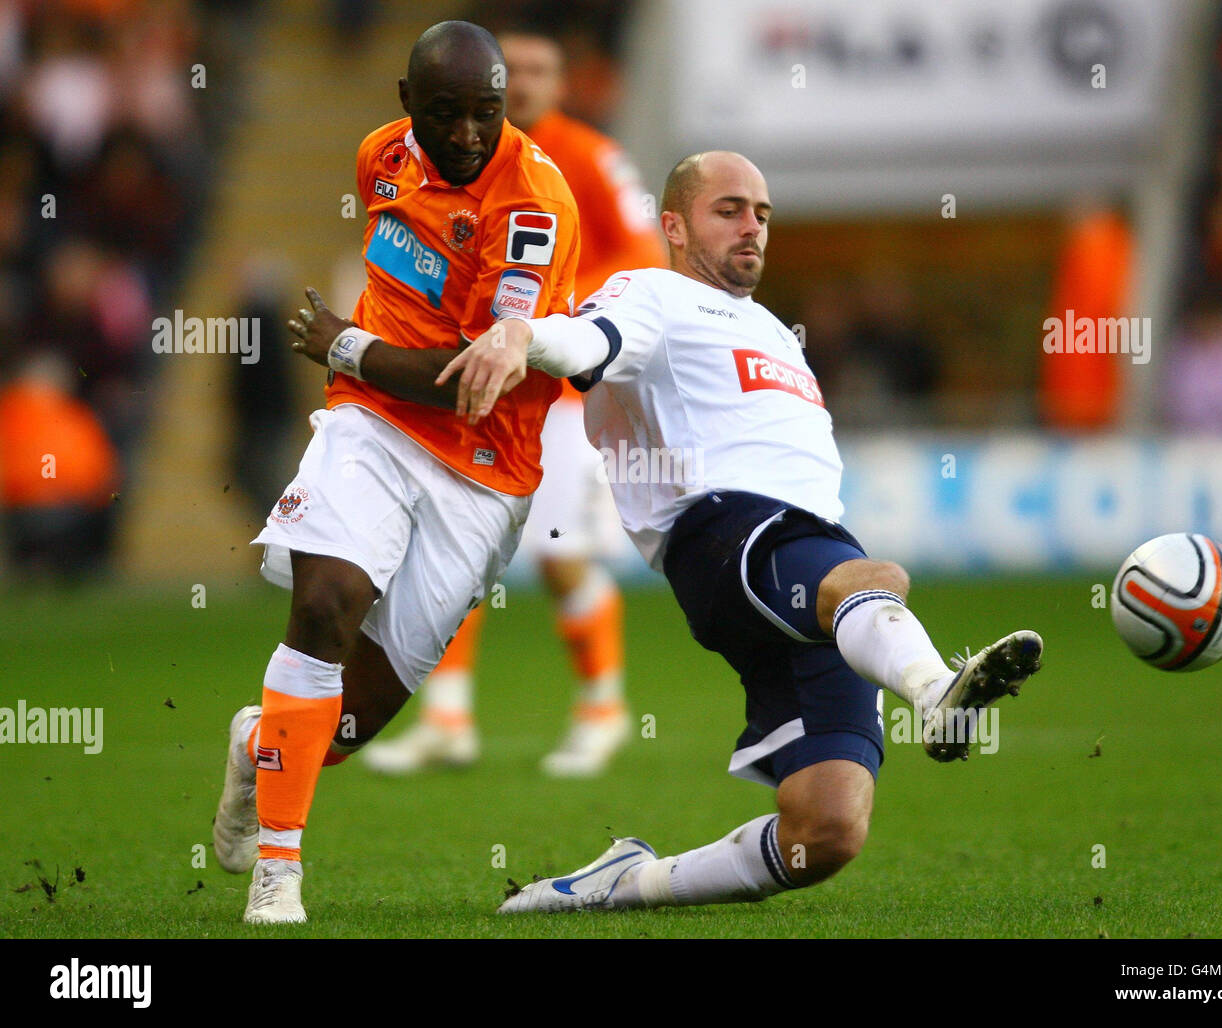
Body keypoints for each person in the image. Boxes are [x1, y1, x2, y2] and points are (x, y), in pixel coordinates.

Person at [439, 151, 1044, 912]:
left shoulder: (775, 332)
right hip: (725, 534)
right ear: (674, 225)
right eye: (728, 209)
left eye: (762, 212)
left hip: (807, 561)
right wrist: (521, 336)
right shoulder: (653, 292)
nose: (751, 225)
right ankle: (935, 692)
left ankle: (624, 884)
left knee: (825, 831)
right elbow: (593, 342)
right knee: (878, 578)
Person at [211, 20, 580, 924]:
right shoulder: (380, 157)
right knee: (326, 601)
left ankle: (261, 744)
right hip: (370, 421)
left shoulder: (532, 207)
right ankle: (280, 872)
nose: (465, 135)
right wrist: (360, 364)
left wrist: (346, 343)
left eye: (485, 116)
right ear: (407, 107)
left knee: (349, 722)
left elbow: (470, 383)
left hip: (484, 466)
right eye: (446, 115)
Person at [362, 28, 665, 778]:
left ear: (560, 85)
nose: (525, 83)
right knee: (442, 559)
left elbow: (645, 258)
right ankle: (447, 717)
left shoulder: (586, 160)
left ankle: (602, 709)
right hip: (465, 381)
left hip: (553, 396)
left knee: (562, 555)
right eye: (516, 69)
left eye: (539, 69)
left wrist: (549, 307)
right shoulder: (444, 162)